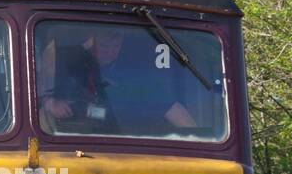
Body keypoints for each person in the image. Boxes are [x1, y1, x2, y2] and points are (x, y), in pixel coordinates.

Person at [40, 28, 197, 133]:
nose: (109, 52)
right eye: (104, 46)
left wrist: (194, 136)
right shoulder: (69, 62)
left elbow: (172, 108)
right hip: (69, 137)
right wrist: (49, 102)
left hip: (119, 138)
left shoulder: (132, 73)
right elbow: (36, 87)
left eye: (115, 46)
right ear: (92, 41)